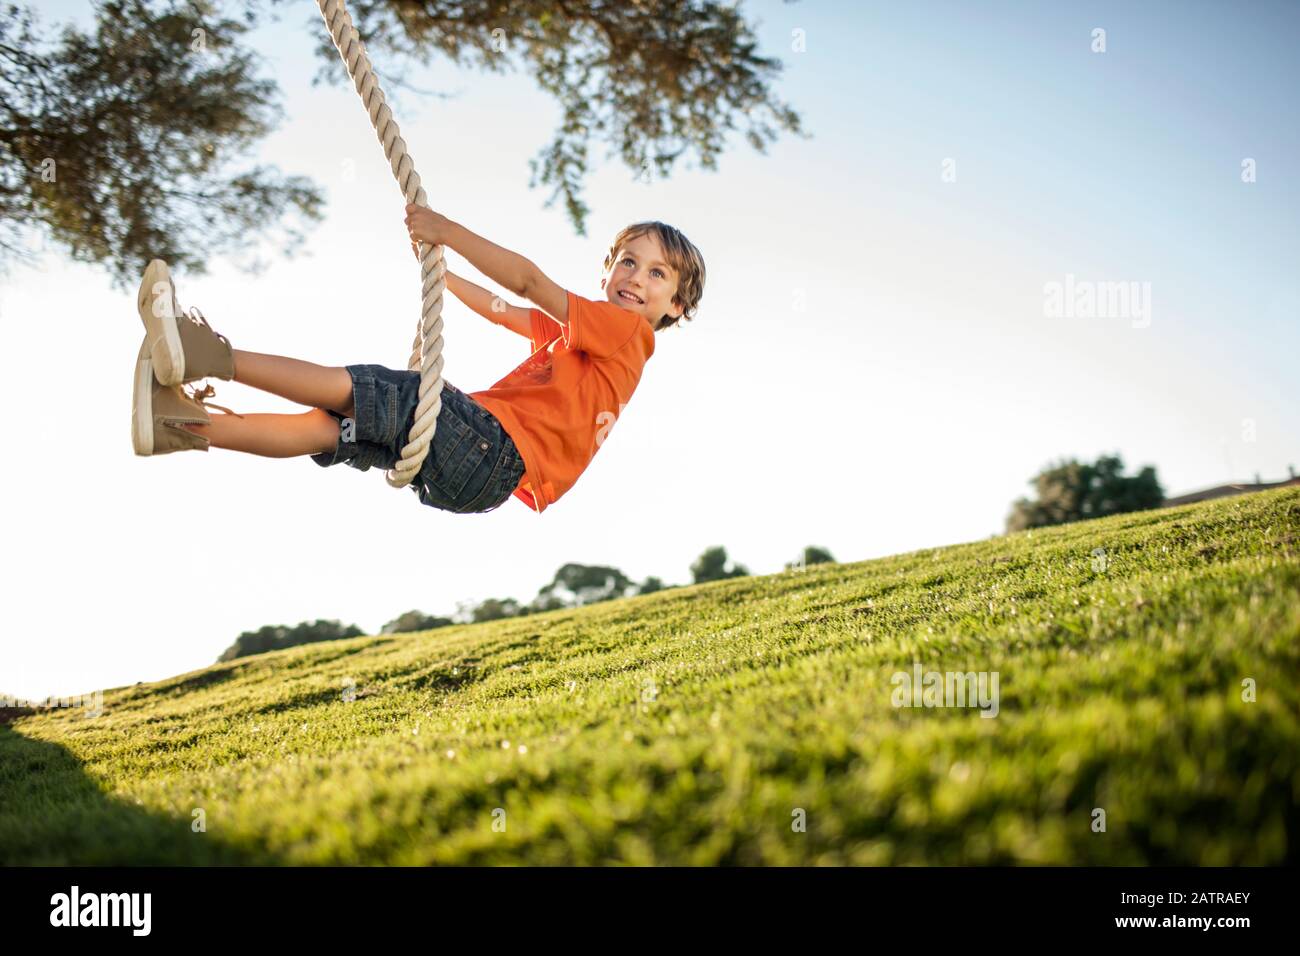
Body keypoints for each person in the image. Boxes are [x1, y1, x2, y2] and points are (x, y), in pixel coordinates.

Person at [131, 206, 705, 514]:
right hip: (476, 479)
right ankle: (183, 427)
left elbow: (529, 282)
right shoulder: (589, 343)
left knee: (364, 387)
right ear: (607, 269)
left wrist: (446, 232)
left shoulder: (625, 331)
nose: (635, 277)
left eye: (656, 273)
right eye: (628, 261)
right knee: (329, 430)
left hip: (485, 446)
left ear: (674, 305)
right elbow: (503, 309)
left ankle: (205, 356)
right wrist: (441, 273)